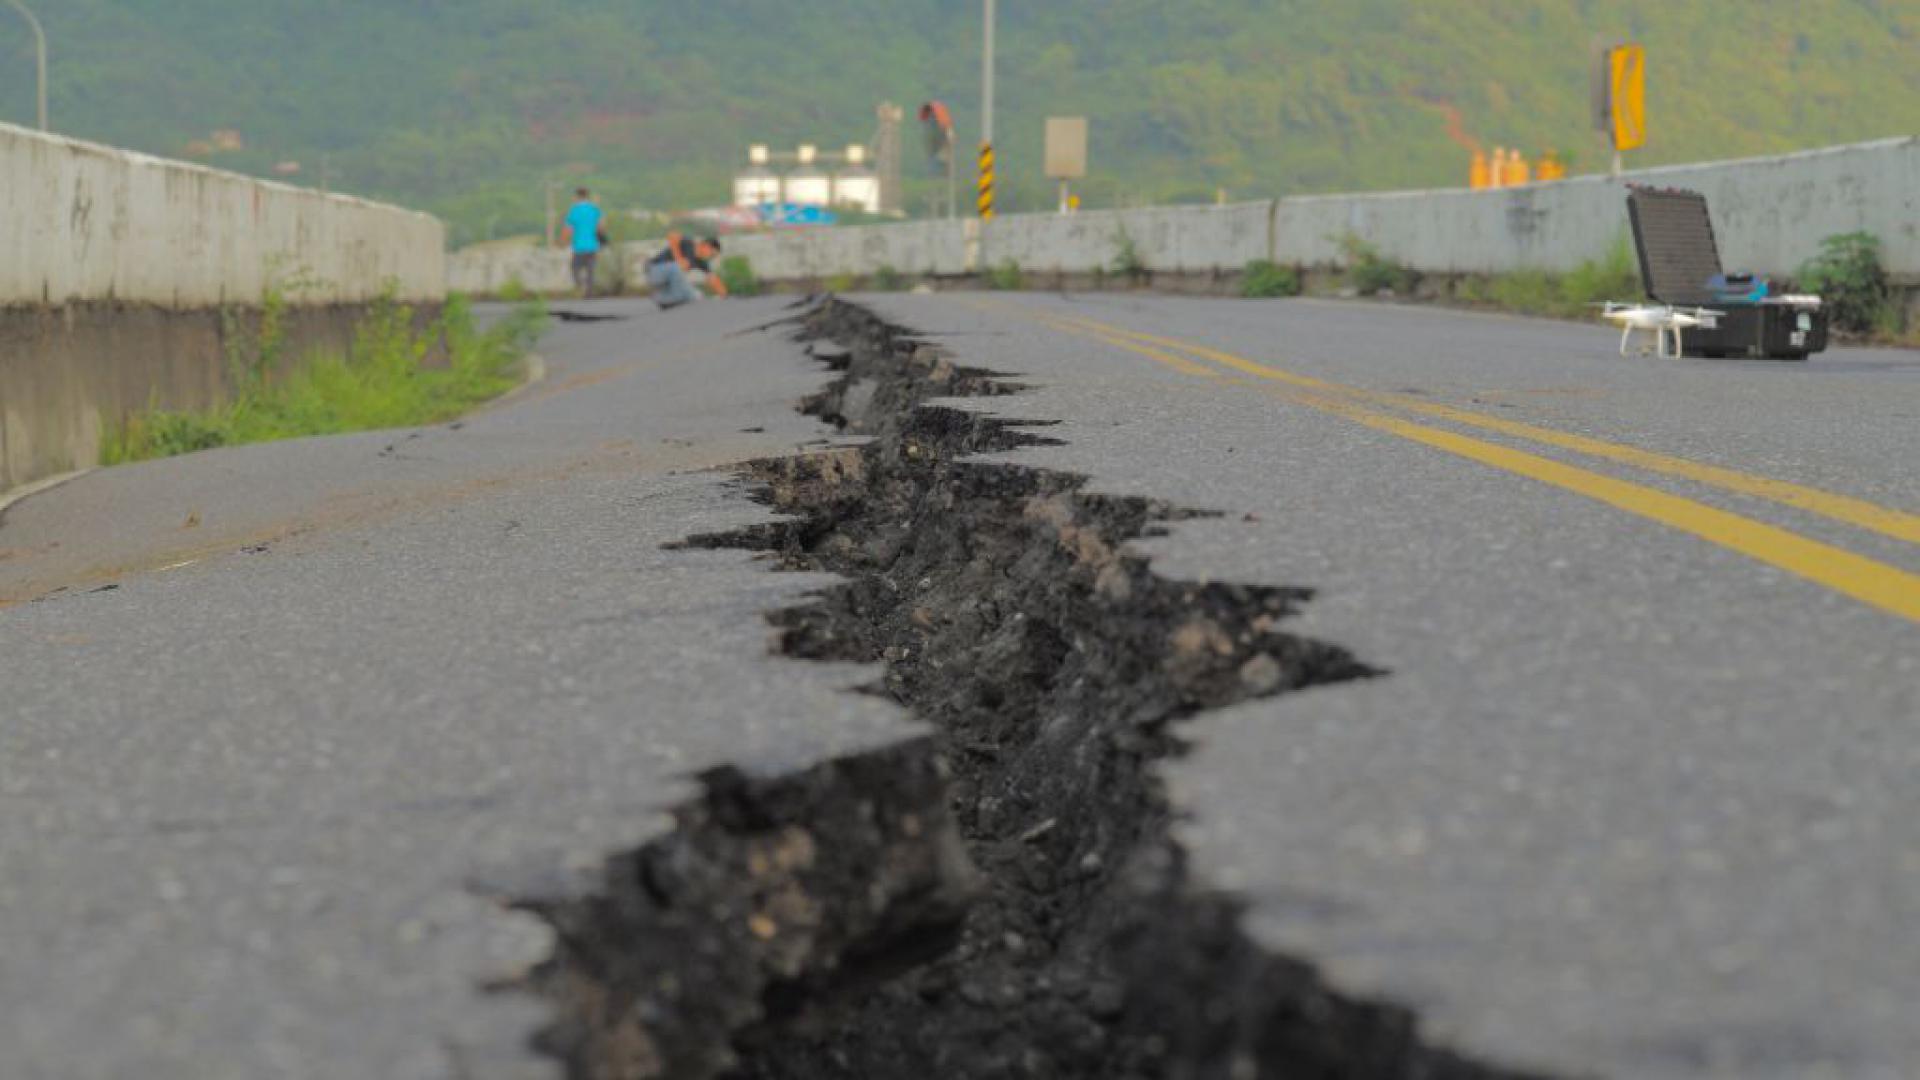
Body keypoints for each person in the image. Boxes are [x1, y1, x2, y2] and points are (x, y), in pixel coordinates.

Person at [646, 232, 728, 309]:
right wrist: (678, 259)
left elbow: (712, 278)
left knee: (694, 296)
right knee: (681, 266)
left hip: (668, 281)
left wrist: (723, 293)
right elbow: (672, 236)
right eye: (712, 254)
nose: (711, 257)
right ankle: (667, 297)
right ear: (706, 246)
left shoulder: (701, 262)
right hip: (654, 270)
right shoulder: (689, 243)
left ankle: (664, 300)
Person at [558, 188, 606, 297]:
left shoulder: (574, 211)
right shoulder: (595, 209)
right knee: (591, 270)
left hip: (579, 246)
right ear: (587, 196)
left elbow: (568, 229)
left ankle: (580, 286)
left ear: (577, 196)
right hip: (593, 245)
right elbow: (601, 227)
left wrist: (562, 242)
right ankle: (589, 291)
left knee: (575, 268)